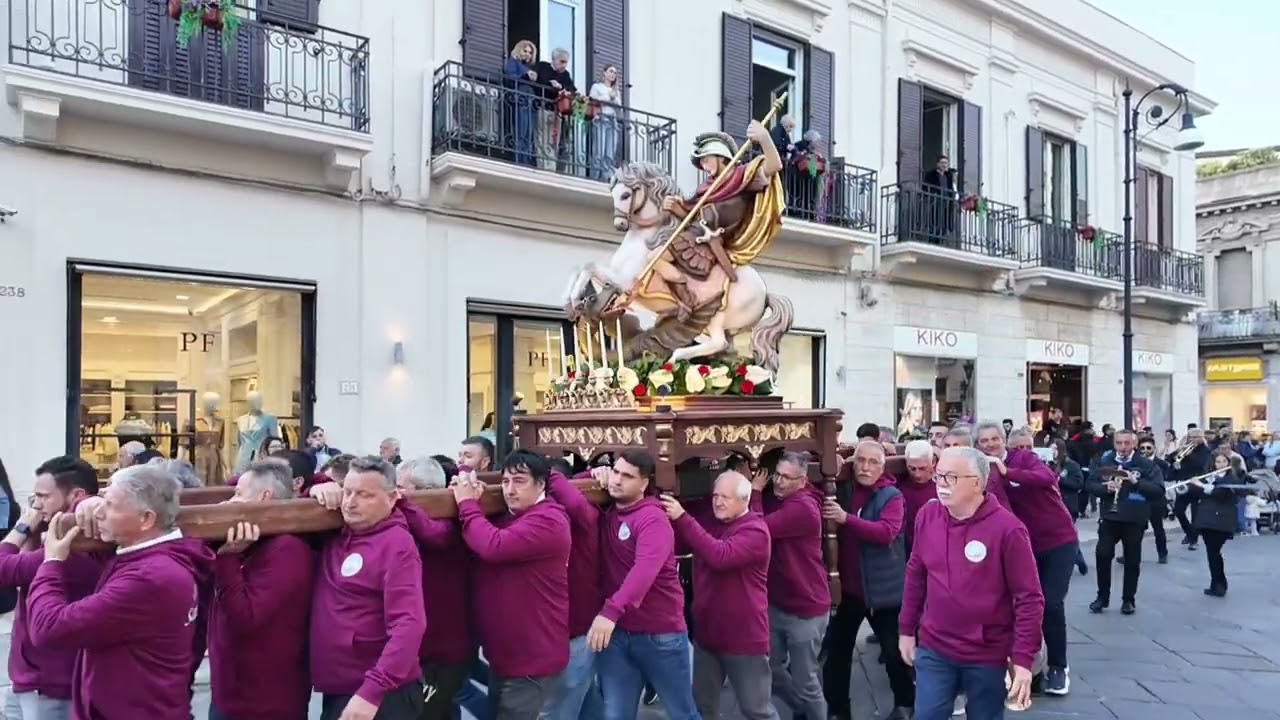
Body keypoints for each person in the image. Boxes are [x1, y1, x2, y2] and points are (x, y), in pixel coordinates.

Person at [27, 464, 214, 720]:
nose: (100, 513)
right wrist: (88, 503)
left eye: (111, 505)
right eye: (102, 500)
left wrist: (51, 563)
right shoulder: (153, 558)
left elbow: (49, 628)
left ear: (146, 519)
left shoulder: (151, 578)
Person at [900, 447, 1045, 719]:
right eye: (939, 475)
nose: (941, 484)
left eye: (951, 477)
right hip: (935, 646)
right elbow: (916, 573)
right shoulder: (927, 516)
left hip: (987, 653)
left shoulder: (1008, 529)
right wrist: (906, 629)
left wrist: (1023, 658)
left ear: (977, 482)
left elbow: (1029, 598)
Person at [453, 451, 572, 718]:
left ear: (541, 484)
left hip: (531, 658)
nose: (509, 489)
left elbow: (493, 546)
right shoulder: (511, 517)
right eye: (505, 482)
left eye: (519, 481)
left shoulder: (549, 520)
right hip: (507, 654)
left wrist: (467, 504)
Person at [310, 456, 426, 720]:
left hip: (380, 693)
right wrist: (317, 486)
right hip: (340, 687)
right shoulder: (335, 532)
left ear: (393, 497)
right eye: (347, 492)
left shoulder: (397, 545)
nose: (350, 502)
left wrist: (372, 692)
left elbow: (409, 624)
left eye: (364, 495)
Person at [589, 449, 700, 720]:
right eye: (615, 471)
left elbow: (644, 570)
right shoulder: (609, 508)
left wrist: (609, 612)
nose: (617, 480)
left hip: (659, 634)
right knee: (615, 714)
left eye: (627, 476)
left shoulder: (653, 518)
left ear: (644, 484)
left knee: (682, 713)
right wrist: (591, 474)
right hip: (617, 636)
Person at [662, 471, 776, 720]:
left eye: (725, 497)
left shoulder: (755, 531)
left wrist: (682, 517)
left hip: (743, 638)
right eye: (715, 496)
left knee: (756, 710)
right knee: (703, 707)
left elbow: (719, 557)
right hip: (708, 636)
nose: (718, 502)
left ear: (745, 500)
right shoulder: (712, 524)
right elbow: (682, 542)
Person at [974, 422, 1077, 696]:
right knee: (1025, 607)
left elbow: (1046, 478)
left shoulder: (1023, 457)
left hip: (1057, 540)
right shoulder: (980, 469)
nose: (990, 445)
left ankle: (1059, 666)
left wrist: (1008, 472)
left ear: (1003, 439)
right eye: (983, 441)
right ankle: (1031, 668)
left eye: (994, 439)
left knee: (1052, 604)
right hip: (1022, 547)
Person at [208, 460, 315, 720]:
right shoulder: (254, 543)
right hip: (231, 692)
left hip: (264, 702)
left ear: (264, 497)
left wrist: (227, 559)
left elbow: (247, 617)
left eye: (238, 495)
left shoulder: (287, 549)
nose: (230, 502)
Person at [0, 456, 105, 720]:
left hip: (50, 686)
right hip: (29, 679)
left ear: (76, 496)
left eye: (44, 496)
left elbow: (4, 569)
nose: (36, 504)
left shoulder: (72, 546)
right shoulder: (63, 536)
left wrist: (24, 525)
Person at [822, 440, 915, 720]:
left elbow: (886, 533)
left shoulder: (892, 496)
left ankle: (905, 705)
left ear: (882, 466)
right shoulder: (843, 487)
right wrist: (835, 462)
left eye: (873, 462)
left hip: (884, 593)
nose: (865, 467)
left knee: (895, 654)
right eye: (860, 460)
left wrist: (845, 519)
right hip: (849, 591)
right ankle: (839, 710)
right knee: (837, 656)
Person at [750, 451, 828, 720]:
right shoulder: (787, 500)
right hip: (780, 603)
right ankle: (801, 711)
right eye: (777, 475)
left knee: (807, 682)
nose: (779, 482)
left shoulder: (802, 508)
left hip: (806, 608)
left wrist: (756, 493)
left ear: (803, 480)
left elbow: (758, 531)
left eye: (786, 477)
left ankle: (809, 712)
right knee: (769, 667)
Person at [1087, 430, 1165, 615]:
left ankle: (1128, 599)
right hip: (1109, 517)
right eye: (1119, 443)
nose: (1122, 448)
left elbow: (1158, 490)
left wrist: (1136, 482)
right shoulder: (1105, 462)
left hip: (1134, 518)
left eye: (1127, 443)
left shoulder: (1146, 465)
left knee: (1132, 559)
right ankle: (1102, 597)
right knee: (1103, 554)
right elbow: (1090, 484)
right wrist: (1105, 488)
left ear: (1134, 444)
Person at [1189, 451, 1252, 596]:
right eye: (1218, 462)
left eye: (1224, 462)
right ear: (1213, 463)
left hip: (1222, 520)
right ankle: (1216, 584)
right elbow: (1196, 493)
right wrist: (1194, 484)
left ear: (1228, 464)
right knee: (1212, 553)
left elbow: (1219, 493)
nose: (1221, 465)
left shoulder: (1232, 479)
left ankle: (1220, 584)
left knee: (1214, 552)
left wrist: (1201, 485)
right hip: (1206, 519)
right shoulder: (1208, 478)